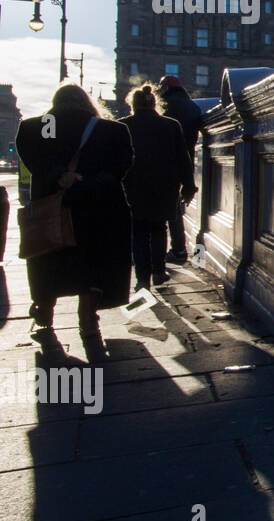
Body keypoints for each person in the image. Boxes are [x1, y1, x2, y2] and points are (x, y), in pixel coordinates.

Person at [15, 83, 133, 361]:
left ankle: (44, 316)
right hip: (98, 210)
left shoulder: (38, 126)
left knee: (48, 262)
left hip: (52, 210)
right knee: (92, 267)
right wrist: (88, 181)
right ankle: (89, 325)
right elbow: (121, 166)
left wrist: (59, 176)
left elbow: (36, 158)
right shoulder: (111, 130)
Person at [121, 85, 196, 290]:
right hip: (165, 186)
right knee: (158, 228)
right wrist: (188, 187)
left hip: (133, 187)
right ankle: (158, 272)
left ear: (132, 104)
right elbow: (183, 159)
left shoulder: (123, 126)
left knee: (138, 232)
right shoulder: (171, 125)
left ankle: (142, 279)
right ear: (155, 104)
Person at [158, 75, 202, 263]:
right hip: (187, 160)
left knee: (166, 209)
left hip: (167, 161)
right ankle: (180, 249)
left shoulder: (166, 106)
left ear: (166, 88)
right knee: (175, 206)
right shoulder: (192, 106)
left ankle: (177, 250)